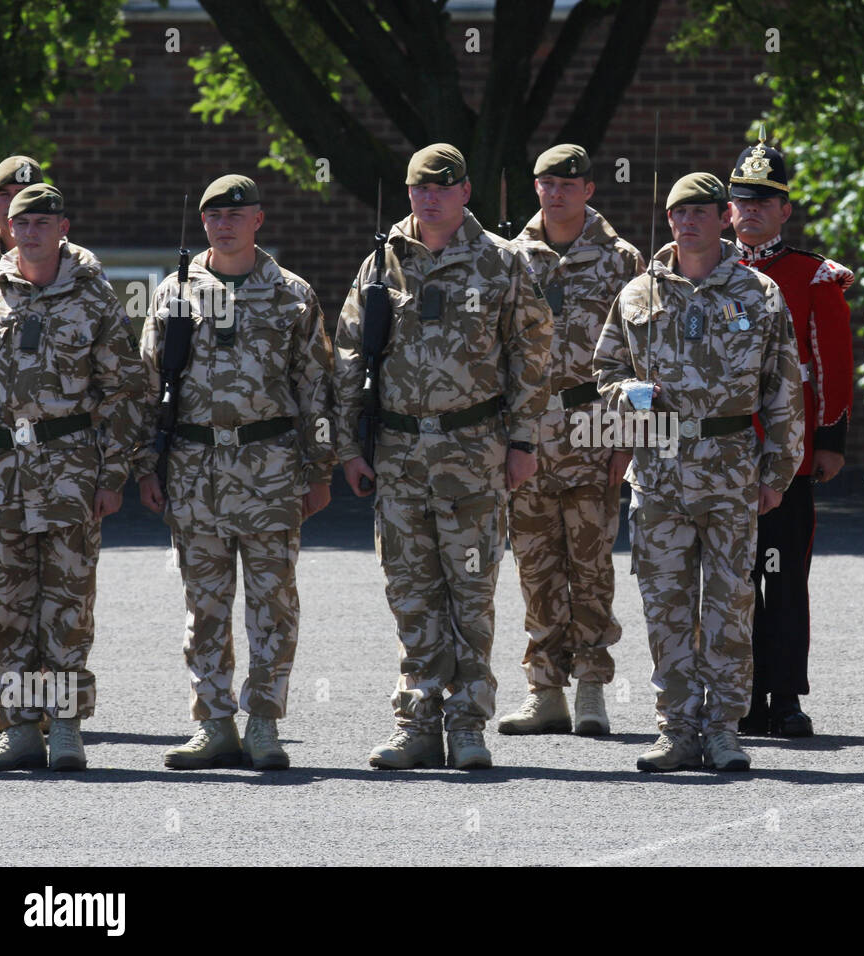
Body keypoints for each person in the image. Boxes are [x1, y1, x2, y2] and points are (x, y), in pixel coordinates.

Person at [335, 144, 551, 771]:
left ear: (464, 193)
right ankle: (419, 721)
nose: (428, 198)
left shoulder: (501, 262)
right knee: (410, 592)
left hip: (474, 451)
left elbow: (531, 354)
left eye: (442, 188)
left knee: (471, 591)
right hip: (399, 453)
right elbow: (349, 357)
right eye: (418, 189)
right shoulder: (380, 264)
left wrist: (523, 440)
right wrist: (348, 445)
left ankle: (468, 723)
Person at [593, 172, 804, 772]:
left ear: (723, 219)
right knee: (665, 605)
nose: (687, 222)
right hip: (658, 471)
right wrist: (628, 393)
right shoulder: (638, 295)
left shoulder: (759, 293)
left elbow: (783, 390)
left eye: (700, 212)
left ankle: (724, 728)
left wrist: (777, 473)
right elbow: (603, 371)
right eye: (677, 212)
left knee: (730, 603)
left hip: (731, 469)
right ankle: (676, 727)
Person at [133, 174, 335, 771]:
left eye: (235, 213)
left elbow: (317, 389)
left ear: (258, 220)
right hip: (194, 468)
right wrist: (147, 465)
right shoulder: (174, 293)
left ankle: (266, 723)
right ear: (204, 224)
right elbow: (148, 387)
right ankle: (214, 724)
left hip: (270, 467)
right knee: (204, 606)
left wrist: (319, 467)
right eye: (213, 214)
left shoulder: (292, 294)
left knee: (273, 602)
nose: (223, 223)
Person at [0, 184, 146, 771]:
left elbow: (124, 391)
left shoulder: (93, 298)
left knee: (68, 606)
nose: (32, 232)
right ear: (10, 227)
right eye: (23, 222)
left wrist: (114, 473)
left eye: (44, 222)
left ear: (62, 227)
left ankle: (66, 726)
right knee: (7, 607)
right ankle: (20, 727)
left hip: (71, 472)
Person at [497, 144, 643, 737]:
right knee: (535, 564)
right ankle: (544, 690)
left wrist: (629, 439)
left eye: (569, 182)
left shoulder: (622, 259)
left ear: (588, 190)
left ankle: (591, 688)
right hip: (528, 429)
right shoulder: (508, 257)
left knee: (591, 563)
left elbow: (641, 358)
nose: (556, 192)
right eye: (546, 182)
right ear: (536, 188)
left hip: (593, 425)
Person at [727, 136, 853, 738]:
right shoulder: (705, 269)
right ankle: (737, 692)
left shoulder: (811, 274)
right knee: (729, 578)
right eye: (741, 200)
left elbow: (831, 360)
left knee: (782, 575)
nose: (750, 211)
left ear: (785, 209)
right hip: (718, 454)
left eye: (764, 201)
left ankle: (783, 694)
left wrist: (831, 438)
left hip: (789, 454)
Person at [0, 155, 45, 736]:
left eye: (26, 194)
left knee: (31, 580)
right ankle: (0, 696)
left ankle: (30, 707)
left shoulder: (55, 260)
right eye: (6, 196)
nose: (14, 205)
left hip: (32, 456)